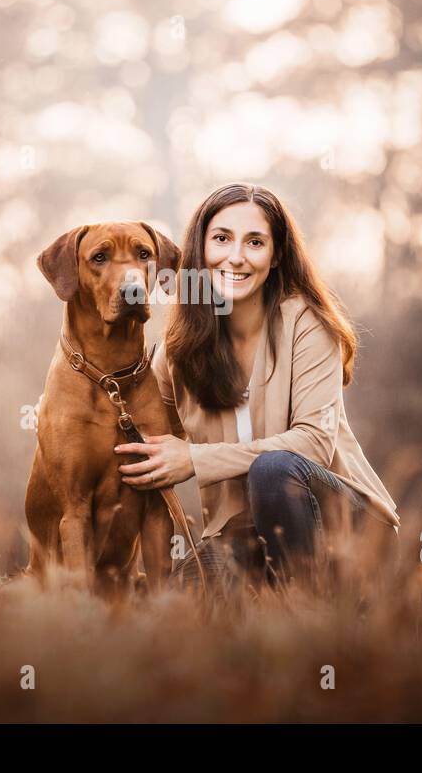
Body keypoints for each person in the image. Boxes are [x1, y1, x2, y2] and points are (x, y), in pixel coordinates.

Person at [114, 184, 401, 595]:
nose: (236, 257)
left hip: (345, 523)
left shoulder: (308, 323)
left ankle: (307, 621)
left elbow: (314, 443)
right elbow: (143, 441)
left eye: (255, 242)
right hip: (237, 537)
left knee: (274, 470)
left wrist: (195, 459)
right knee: (174, 608)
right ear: (200, 248)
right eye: (222, 239)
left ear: (277, 254)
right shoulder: (178, 350)